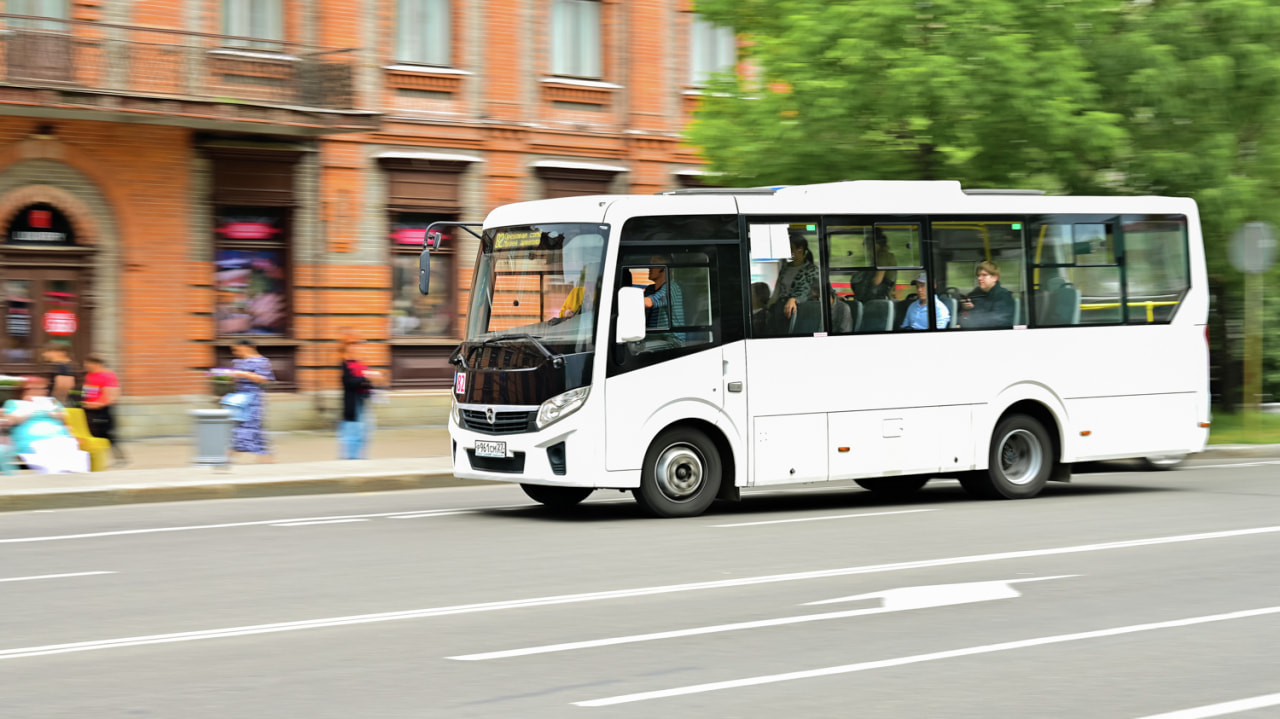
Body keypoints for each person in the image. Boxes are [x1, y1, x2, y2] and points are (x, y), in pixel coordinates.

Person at [1, 376, 88, 474]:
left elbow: (64, 419)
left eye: (42, 388)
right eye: (34, 389)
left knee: (67, 446)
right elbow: (9, 420)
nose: (39, 392)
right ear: (24, 390)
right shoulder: (14, 403)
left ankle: (68, 477)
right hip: (32, 441)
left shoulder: (52, 402)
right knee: (53, 448)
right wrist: (27, 410)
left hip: (58, 437)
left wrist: (54, 413)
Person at [229, 339, 275, 463]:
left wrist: (243, 374)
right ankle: (266, 459)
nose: (236, 352)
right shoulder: (240, 362)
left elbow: (264, 379)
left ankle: (229, 457)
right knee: (246, 427)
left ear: (248, 347)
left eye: (238, 349)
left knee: (249, 427)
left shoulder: (261, 362)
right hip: (241, 399)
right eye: (234, 350)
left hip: (253, 399)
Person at [337, 340, 385, 460]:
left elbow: (368, 383)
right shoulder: (345, 366)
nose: (359, 351)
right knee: (352, 433)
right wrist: (366, 377)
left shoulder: (361, 366)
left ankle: (360, 458)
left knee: (365, 432)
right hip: (352, 405)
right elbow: (349, 382)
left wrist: (376, 380)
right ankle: (351, 459)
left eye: (359, 348)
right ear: (348, 351)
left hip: (363, 403)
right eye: (356, 348)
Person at [81, 354, 128, 466]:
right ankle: (96, 459)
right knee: (94, 435)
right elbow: (89, 391)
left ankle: (120, 459)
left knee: (108, 435)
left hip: (103, 410)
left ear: (96, 364)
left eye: (88, 363)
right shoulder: (89, 375)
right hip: (90, 409)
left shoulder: (107, 375)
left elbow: (111, 394)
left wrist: (97, 404)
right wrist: (85, 402)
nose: (86, 366)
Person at [768, 232, 820, 328]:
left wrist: (793, 299)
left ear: (801, 250)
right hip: (781, 307)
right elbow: (778, 289)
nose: (790, 252)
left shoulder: (811, 270)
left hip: (799, 309)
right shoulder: (785, 268)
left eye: (792, 249)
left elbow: (808, 290)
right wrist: (770, 304)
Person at [958, 261, 1015, 329]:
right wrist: (965, 309)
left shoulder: (1004, 296)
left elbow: (996, 321)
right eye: (978, 275)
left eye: (984, 275)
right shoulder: (975, 294)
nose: (979, 278)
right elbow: (963, 315)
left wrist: (964, 324)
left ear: (995, 277)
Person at [643, 258, 685, 343]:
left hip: (672, 341)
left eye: (654, 262)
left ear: (664, 268)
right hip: (654, 337)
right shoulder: (650, 289)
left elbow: (649, 302)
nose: (649, 267)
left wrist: (626, 300)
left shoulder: (672, 287)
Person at [849, 229, 898, 302]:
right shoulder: (888, 256)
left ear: (876, 246)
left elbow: (877, 281)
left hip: (880, 299)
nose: (868, 253)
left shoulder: (882, 257)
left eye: (868, 249)